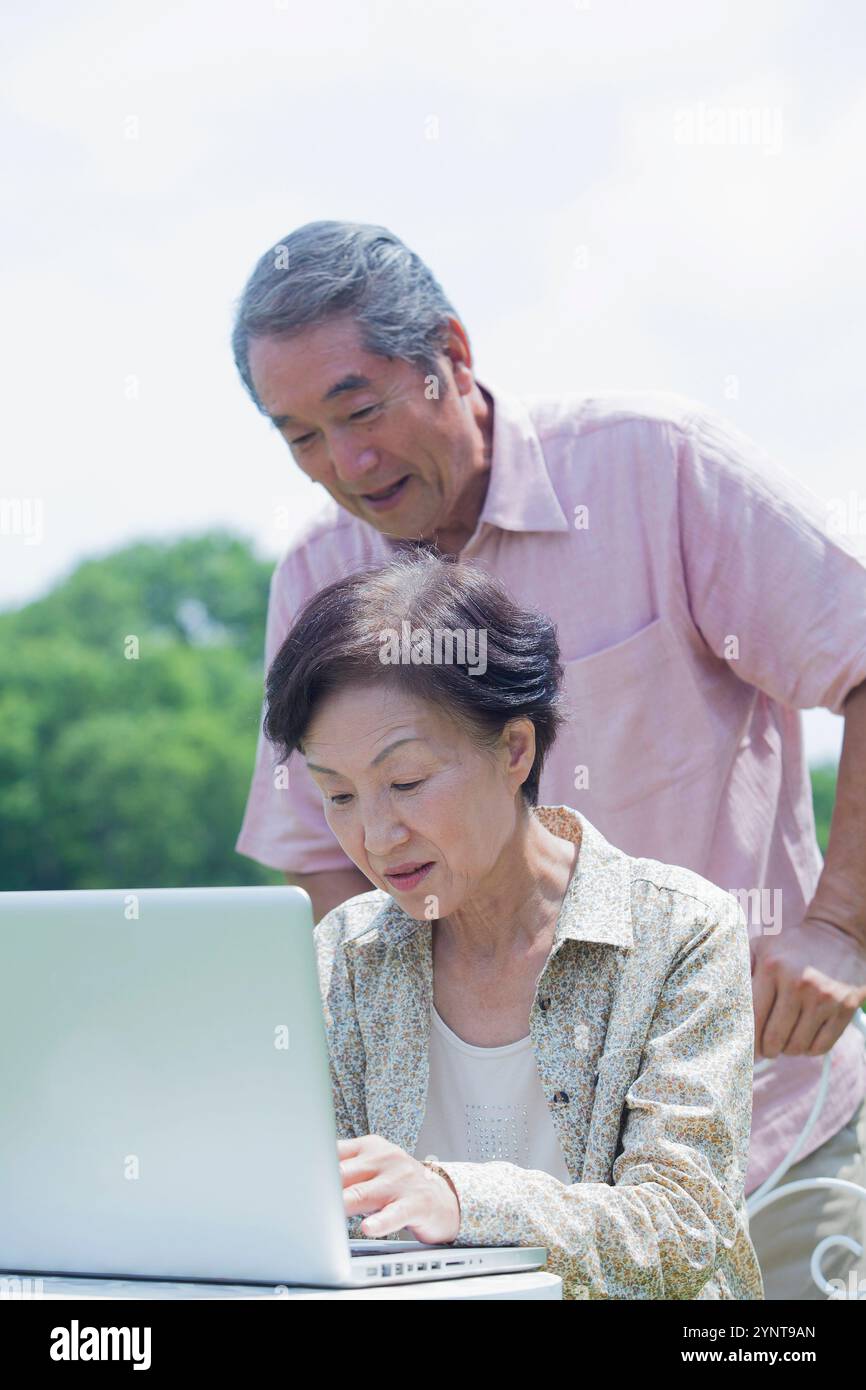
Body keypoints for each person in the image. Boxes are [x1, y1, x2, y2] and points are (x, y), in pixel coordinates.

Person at [231, 219, 866, 1298]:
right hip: (478, 1207)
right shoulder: (316, 572)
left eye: (359, 409)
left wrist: (840, 923)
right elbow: (323, 853)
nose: (348, 465)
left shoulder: (654, 467)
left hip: (762, 1132)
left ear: (452, 354)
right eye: (299, 438)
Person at [261, 548, 764, 1300]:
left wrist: (458, 1200)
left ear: (515, 749)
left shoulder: (681, 932)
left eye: (405, 782)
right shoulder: (342, 952)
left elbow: (683, 1227)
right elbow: (306, 1210)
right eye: (337, 796)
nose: (375, 835)